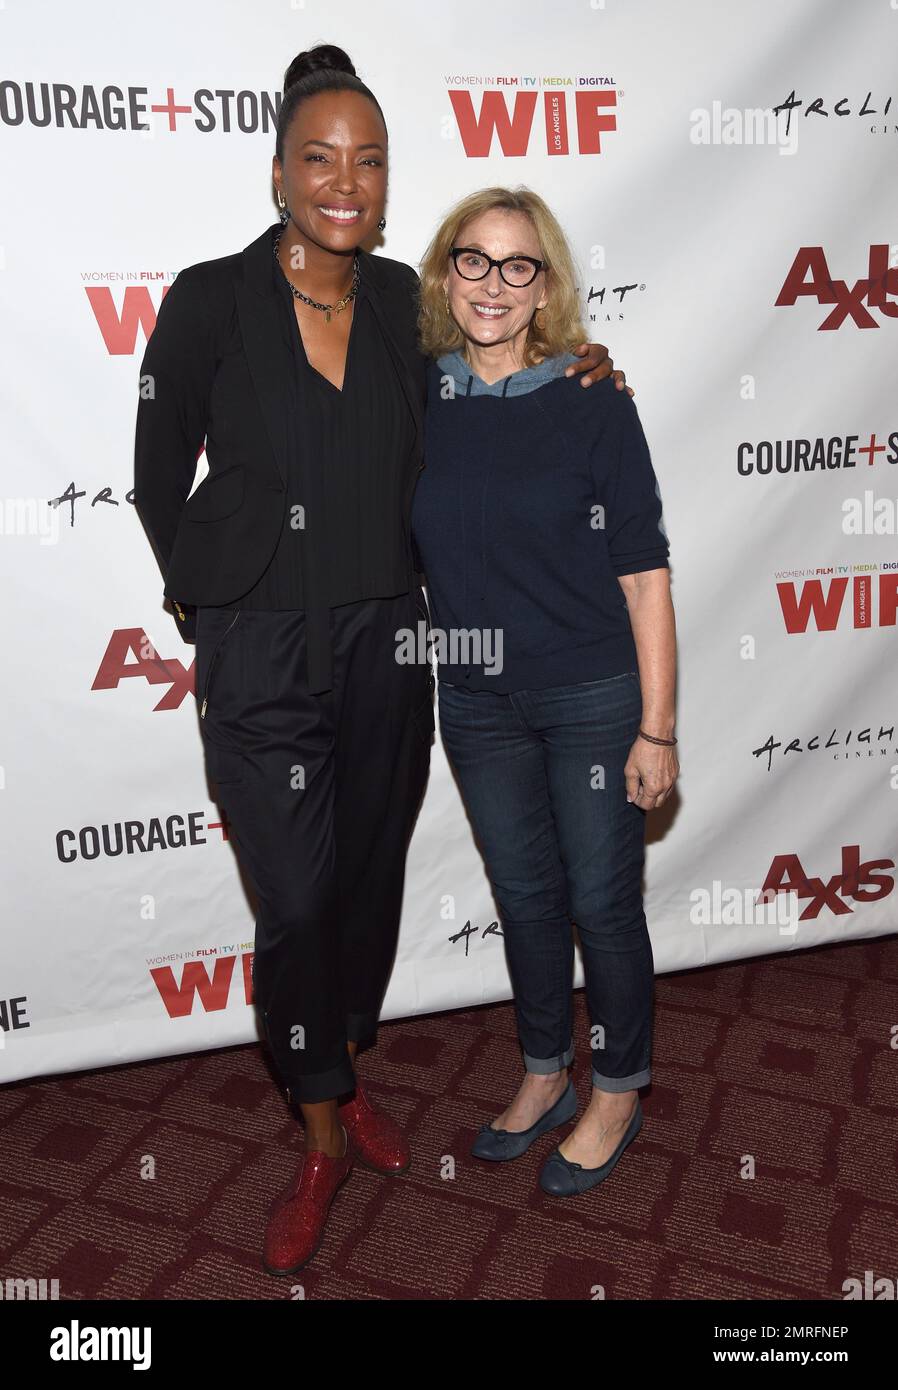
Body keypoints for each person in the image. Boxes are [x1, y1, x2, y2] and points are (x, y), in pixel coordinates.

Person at [133, 47, 620, 1271]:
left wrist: (581, 375)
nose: (344, 181)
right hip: (259, 644)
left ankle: (340, 1067)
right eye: (319, 158)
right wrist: (215, 603)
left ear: (387, 182)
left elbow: (494, 385)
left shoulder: (409, 304)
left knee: (363, 877)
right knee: (292, 896)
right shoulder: (205, 300)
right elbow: (153, 475)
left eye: (368, 161)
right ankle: (317, 1126)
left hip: (391, 639)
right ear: (281, 173)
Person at [412, 186, 679, 1196]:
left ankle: (615, 1084)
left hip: (590, 694)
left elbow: (644, 573)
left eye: (518, 265)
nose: (493, 283)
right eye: (474, 260)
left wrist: (657, 729)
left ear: (545, 286)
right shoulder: (416, 393)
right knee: (523, 898)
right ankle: (542, 1071)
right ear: (446, 273)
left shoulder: (592, 397)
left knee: (601, 902)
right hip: (475, 702)